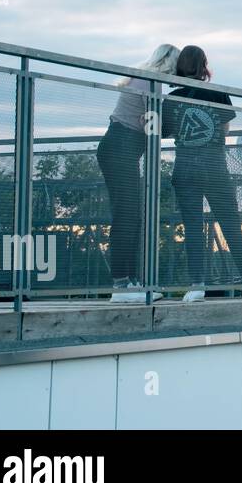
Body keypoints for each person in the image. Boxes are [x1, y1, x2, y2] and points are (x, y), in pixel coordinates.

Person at [163, 46, 242, 302]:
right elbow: (224, 129)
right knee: (231, 225)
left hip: (185, 166)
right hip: (214, 166)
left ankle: (197, 285)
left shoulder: (171, 98)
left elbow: (166, 132)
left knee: (192, 227)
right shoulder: (218, 93)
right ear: (204, 65)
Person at [97, 43, 179, 303]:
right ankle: (122, 286)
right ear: (168, 62)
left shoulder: (143, 78)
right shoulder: (150, 83)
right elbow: (154, 122)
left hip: (119, 147)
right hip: (120, 146)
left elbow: (150, 121)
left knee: (130, 215)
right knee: (126, 215)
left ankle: (129, 282)